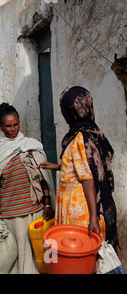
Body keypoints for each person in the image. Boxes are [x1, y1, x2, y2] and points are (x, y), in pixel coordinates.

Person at [38, 86, 119, 250]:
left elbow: (87, 177)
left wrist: (93, 218)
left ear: (70, 110)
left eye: (63, 108)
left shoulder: (80, 136)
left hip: (79, 208)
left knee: (78, 253)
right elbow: (83, 166)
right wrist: (58, 167)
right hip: (83, 204)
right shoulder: (92, 131)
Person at [0, 103, 55, 274]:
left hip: (35, 210)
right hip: (12, 213)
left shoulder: (31, 145)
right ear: (0, 127)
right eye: (8, 126)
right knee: (17, 254)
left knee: (37, 253)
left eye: (16, 124)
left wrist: (48, 202)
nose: (13, 129)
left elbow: (43, 177)